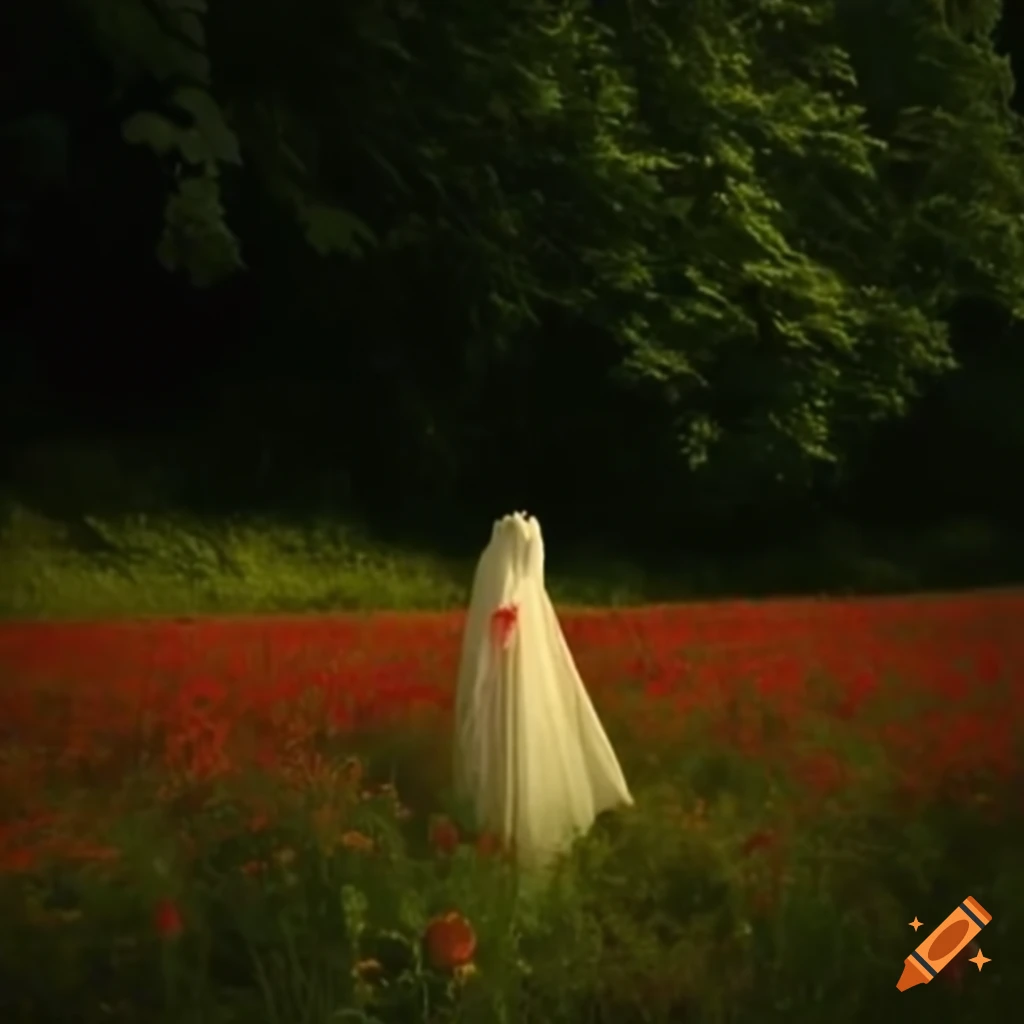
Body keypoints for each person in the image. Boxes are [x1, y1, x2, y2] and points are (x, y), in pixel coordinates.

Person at [454, 512, 633, 867]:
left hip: (523, 637)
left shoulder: (510, 537)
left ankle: (517, 818)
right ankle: (511, 816)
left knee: (524, 716)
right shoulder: (517, 535)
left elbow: (516, 586)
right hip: (520, 637)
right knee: (528, 715)